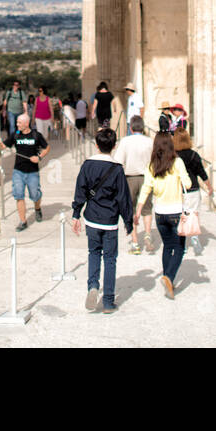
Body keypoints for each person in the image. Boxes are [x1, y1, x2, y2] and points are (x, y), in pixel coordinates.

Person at [71, 127, 134, 314]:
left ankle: (92, 286)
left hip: (91, 218)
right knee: (110, 259)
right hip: (110, 220)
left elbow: (80, 190)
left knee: (93, 253)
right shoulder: (116, 169)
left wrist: (76, 214)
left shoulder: (87, 165)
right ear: (114, 146)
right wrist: (128, 222)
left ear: (96, 145)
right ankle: (107, 301)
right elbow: (123, 197)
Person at [134, 131, 191, 299]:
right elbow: (187, 183)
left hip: (160, 214)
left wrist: (138, 211)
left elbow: (146, 189)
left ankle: (168, 282)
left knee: (167, 246)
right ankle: (169, 277)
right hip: (176, 212)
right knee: (180, 248)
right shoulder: (177, 162)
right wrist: (179, 180)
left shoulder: (152, 166)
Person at [112, 115, 154, 254]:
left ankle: (135, 242)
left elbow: (118, 161)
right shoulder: (149, 141)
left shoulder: (125, 141)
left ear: (131, 127)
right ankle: (147, 233)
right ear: (142, 127)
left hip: (129, 178)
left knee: (131, 209)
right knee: (147, 208)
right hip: (146, 178)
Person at [3, 112, 48, 230]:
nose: (17, 125)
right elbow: (3, 146)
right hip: (18, 171)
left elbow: (47, 147)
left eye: (19, 122)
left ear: (26, 123)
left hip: (32, 171)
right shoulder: (16, 135)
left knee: (35, 195)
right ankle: (23, 221)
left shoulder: (36, 135)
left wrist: (39, 157)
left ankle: (37, 208)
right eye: (17, 122)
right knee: (19, 195)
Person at [173, 127, 212, 253]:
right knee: (194, 214)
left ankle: (182, 243)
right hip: (193, 188)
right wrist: (209, 186)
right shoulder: (194, 155)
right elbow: (201, 172)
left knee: (181, 215)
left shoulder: (173, 156)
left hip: (179, 188)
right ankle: (195, 237)